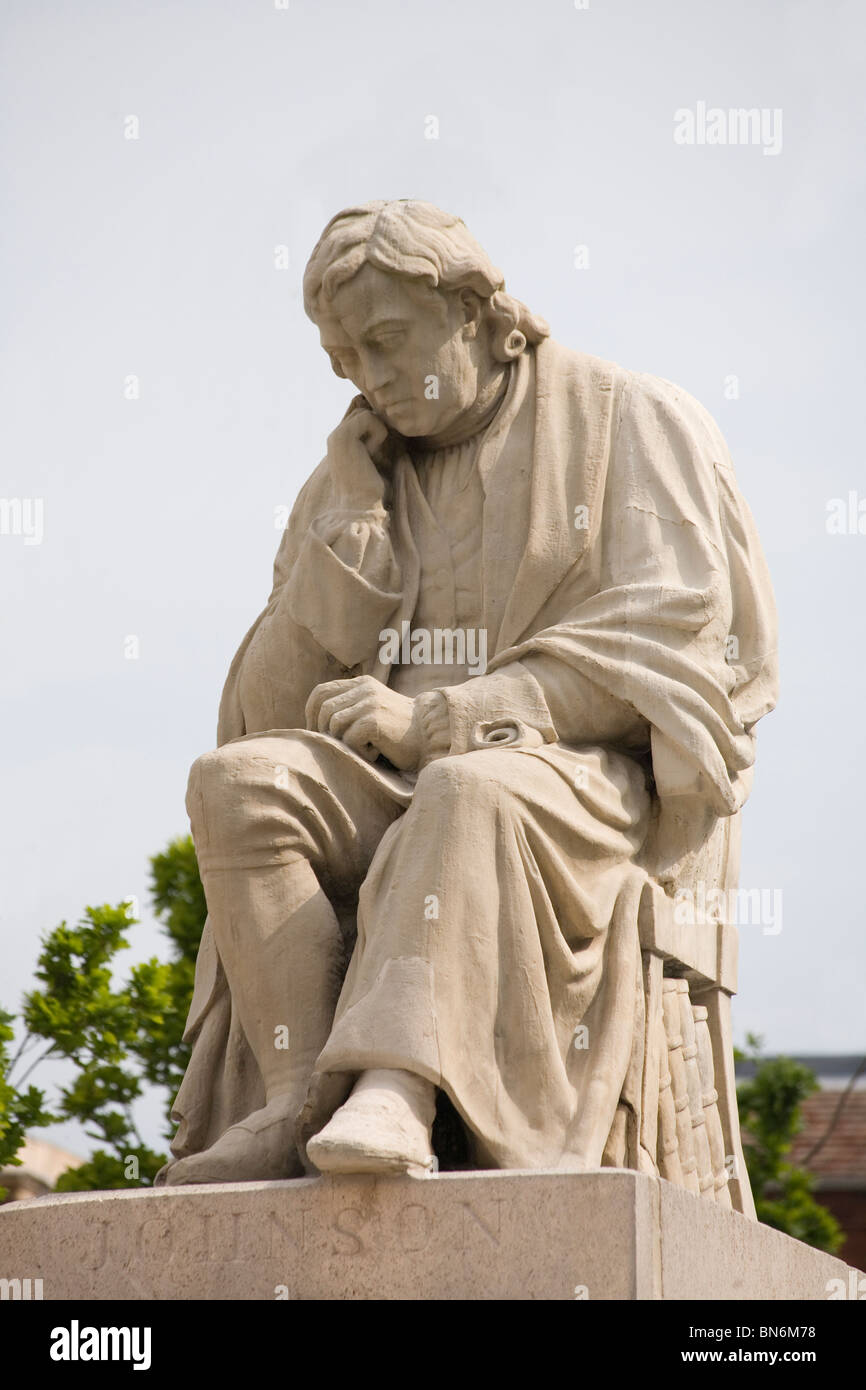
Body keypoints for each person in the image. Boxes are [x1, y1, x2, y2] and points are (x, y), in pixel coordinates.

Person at [157, 199, 777, 1186]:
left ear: (475, 311)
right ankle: (296, 1098)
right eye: (343, 359)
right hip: (389, 783)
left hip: (578, 783)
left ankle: (395, 1088)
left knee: (466, 785)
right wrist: (349, 536)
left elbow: (678, 639)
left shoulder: (628, 418)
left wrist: (448, 719)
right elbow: (261, 719)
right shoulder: (352, 475)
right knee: (235, 785)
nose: (367, 377)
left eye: (385, 340)